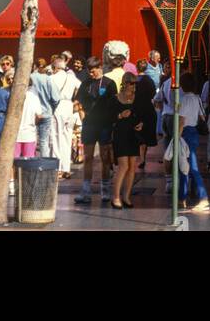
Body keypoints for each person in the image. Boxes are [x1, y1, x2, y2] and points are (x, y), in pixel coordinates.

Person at [74, 57, 115, 204]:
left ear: (100, 67)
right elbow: (78, 102)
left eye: (93, 71)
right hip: (89, 125)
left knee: (105, 157)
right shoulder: (85, 84)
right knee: (88, 157)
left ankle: (105, 189)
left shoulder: (109, 84)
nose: (91, 74)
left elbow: (114, 104)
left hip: (105, 125)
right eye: (89, 72)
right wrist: (83, 117)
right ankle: (86, 191)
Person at [109, 74, 144, 208]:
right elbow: (108, 117)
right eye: (131, 83)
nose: (133, 86)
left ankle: (126, 196)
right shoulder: (115, 98)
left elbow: (143, 114)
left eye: (135, 83)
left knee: (132, 166)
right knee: (123, 165)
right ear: (124, 83)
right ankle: (116, 197)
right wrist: (120, 115)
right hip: (120, 133)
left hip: (133, 134)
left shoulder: (138, 98)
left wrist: (141, 123)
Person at [178, 72, 210, 211]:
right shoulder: (197, 98)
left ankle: (202, 197)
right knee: (187, 166)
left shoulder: (184, 100)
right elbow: (202, 117)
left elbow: (181, 120)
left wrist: (177, 137)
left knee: (190, 166)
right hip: (194, 133)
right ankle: (184, 197)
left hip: (185, 133)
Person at [46, 53, 80, 177]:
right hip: (69, 106)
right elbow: (80, 87)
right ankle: (66, 168)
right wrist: (75, 101)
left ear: (55, 67)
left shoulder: (51, 78)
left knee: (55, 138)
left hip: (57, 107)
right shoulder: (71, 77)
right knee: (67, 137)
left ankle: (58, 168)